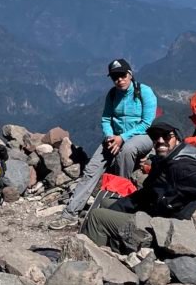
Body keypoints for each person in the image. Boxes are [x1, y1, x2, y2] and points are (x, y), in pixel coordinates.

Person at [83, 121, 196, 251]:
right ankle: (110, 243)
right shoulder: (167, 161)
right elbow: (147, 193)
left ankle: (94, 261)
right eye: (155, 137)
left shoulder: (182, 168)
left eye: (166, 136)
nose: (160, 141)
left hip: (161, 226)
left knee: (97, 216)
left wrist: (183, 217)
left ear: (177, 139)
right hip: (157, 210)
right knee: (106, 203)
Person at [59, 57, 158, 222]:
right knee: (92, 169)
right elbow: (106, 119)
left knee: (126, 151)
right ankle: (70, 213)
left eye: (122, 75)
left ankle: (121, 201)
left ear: (130, 74)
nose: (119, 80)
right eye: (115, 77)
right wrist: (110, 136)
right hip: (115, 137)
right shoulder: (112, 94)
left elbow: (147, 123)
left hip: (142, 137)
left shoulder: (145, 92)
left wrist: (123, 138)